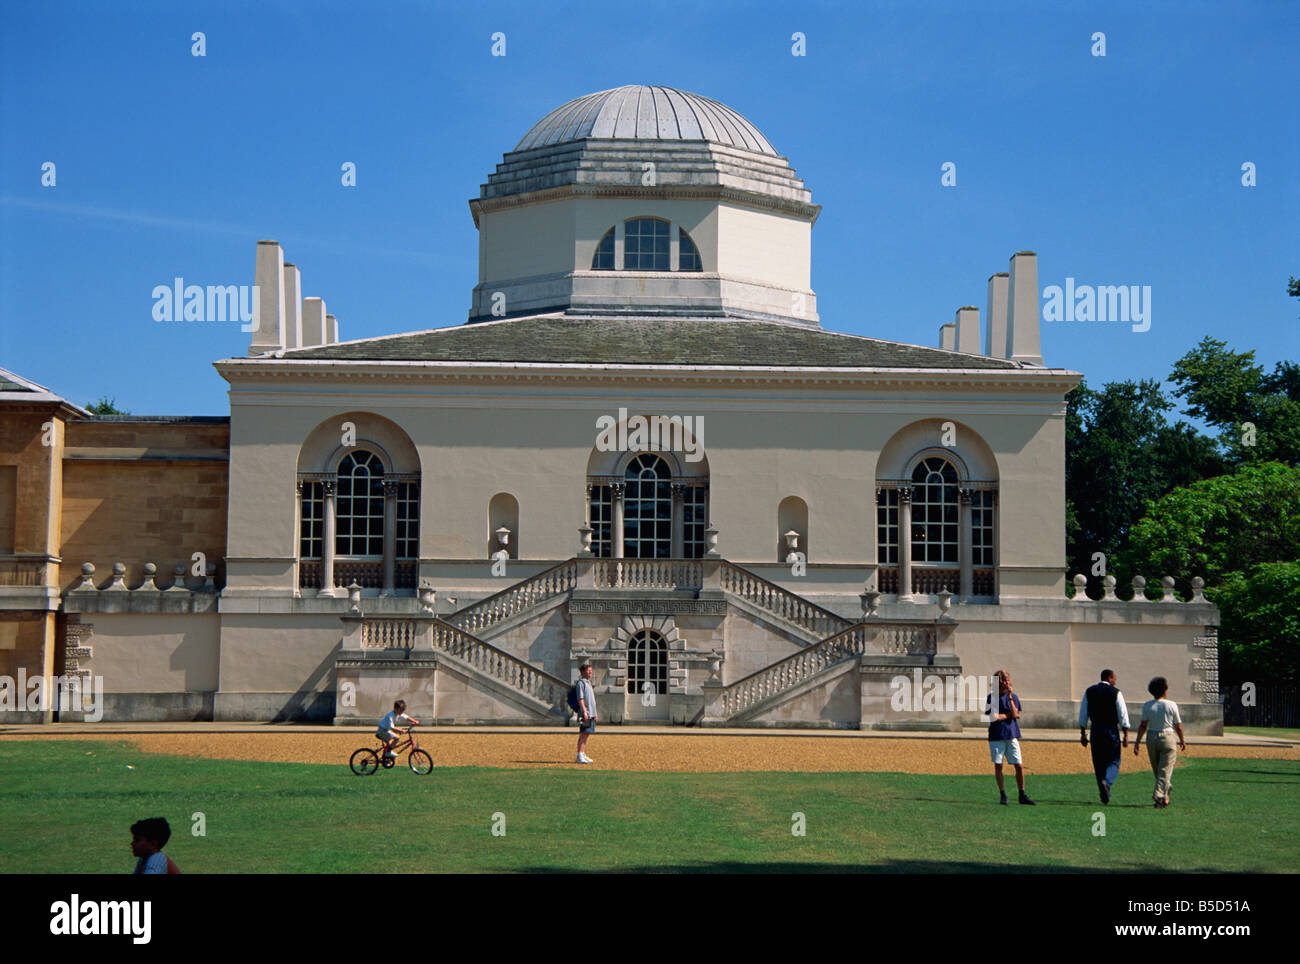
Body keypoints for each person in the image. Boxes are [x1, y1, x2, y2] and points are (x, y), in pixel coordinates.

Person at [1078, 668, 1131, 804]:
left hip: (1096, 729)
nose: (1115, 681)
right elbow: (1123, 714)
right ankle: (1107, 783)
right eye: (1114, 678)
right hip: (1110, 729)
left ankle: (1103, 791)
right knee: (1114, 760)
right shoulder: (1116, 693)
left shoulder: (1089, 691)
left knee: (1098, 761)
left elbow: (1083, 713)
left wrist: (1083, 734)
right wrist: (1125, 734)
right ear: (1109, 678)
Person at [1134, 676, 1186, 808]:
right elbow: (1178, 725)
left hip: (1151, 737)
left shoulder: (1147, 705)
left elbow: (1143, 725)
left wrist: (1137, 742)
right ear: (1165, 690)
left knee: (1158, 770)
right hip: (1168, 736)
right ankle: (1159, 794)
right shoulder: (1171, 705)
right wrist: (1182, 740)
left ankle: (1164, 794)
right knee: (1164, 770)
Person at [986, 670, 1034, 805]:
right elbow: (994, 717)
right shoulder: (992, 698)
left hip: (1012, 734)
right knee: (998, 765)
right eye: (1003, 681)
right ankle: (1003, 794)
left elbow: (1016, 714)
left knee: (1019, 765)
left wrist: (1011, 698)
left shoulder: (1013, 697)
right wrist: (1008, 715)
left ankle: (1022, 794)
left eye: (1007, 680)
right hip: (997, 735)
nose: (1007, 683)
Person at [575, 662, 596, 764]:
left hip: (590, 713)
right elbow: (580, 699)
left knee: (586, 734)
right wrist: (584, 711)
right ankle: (579, 755)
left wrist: (594, 714)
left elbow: (592, 701)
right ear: (583, 672)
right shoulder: (581, 683)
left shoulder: (588, 683)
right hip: (585, 713)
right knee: (583, 734)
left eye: (591, 670)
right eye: (588, 670)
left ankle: (582, 753)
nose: (590, 672)